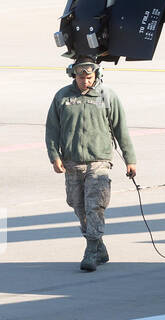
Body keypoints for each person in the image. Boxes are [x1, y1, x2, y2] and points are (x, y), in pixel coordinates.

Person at [45, 57, 137, 272]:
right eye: (80, 77)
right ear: (73, 75)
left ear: (96, 76)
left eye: (88, 77)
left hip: (99, 161)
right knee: (78, 206)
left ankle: (91, 250)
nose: (84, 81)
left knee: (95, 206)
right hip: (72, 161)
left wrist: (130, 159)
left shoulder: (107, 96)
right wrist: (54, 156)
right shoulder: (63, 97)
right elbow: (52, 130)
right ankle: (99, 247)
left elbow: (120, 129)